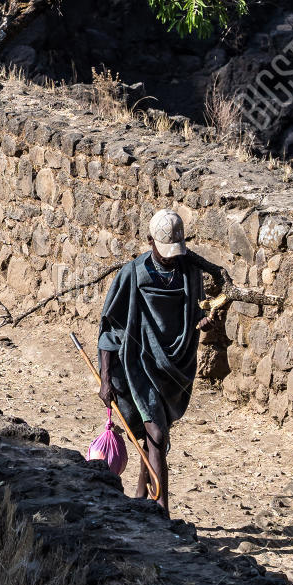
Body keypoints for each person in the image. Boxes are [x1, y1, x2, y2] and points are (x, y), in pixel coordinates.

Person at [97, 209, 229, 516]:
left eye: (175, 252)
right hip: (138, 363)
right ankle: (162, 511)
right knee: (156, 435)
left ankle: (141, 500)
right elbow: (110, 329)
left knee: (155, 435)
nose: (170, 258)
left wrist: (202, 322)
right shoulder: (132, 275)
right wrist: (106, 378)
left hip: (174, 366)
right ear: (149, 241)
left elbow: (190, 314)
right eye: (164, 251)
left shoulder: (189, 273)